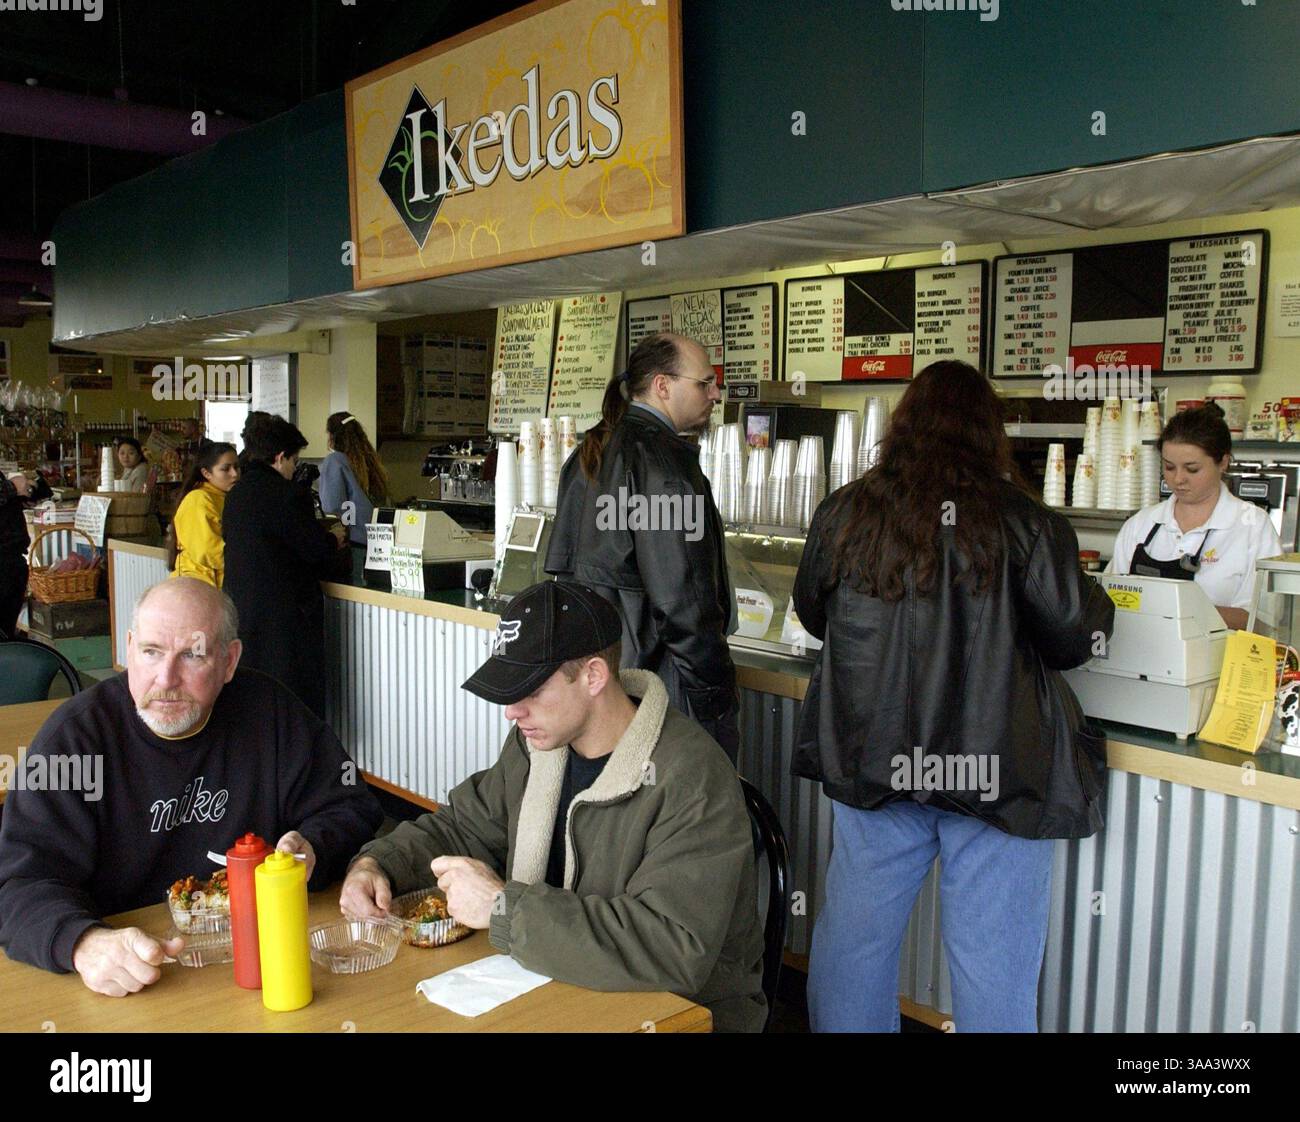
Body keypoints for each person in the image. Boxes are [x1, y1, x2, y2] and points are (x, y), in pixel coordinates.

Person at [791, 361, 1115, 1033]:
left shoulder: (845, 511)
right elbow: (1074, 637)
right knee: (993, 963)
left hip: (875, 764)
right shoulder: (1026, 522)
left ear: (903, 425)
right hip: (998, 776)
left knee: (854, 944)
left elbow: (815, 615)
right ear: (987, 431)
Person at [339, 579, 766, 1032]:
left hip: (679, 1013)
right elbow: (464, 827)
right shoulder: (538, 746)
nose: (511, 711)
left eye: (532, 690)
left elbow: (671, 946)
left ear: (594, 676)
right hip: (561, 988)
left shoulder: (691, 777)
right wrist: (376, 865)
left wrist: (507, 909)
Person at [0, 577, 382, 994]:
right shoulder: (74, 741)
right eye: (151, 652)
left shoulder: (270, 713)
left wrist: (313, 845)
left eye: (192, 656)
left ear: (229, 661)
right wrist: (83, 942)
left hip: (261, 960)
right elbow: (20, 885)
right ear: (129, 649)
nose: (166, 678)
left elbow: (351, 804)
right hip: (133, 979)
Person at [544, 332, 740, 762]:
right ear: (662, 386)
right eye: (704, 383)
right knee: (684, 811)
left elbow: (562, 570)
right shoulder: (664, 463)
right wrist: (713, 691)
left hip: (600, 680)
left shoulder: (590, 453)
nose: (715, 393)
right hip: (660, 684)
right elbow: (681, 598)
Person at [1107, 403, 1283, 630]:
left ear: (1223, 462)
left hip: (1219, 663)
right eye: (1169, 467)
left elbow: (1262, 621)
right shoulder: (1140, 525)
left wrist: (1177, 609)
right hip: (1140, 661)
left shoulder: (1253, 527)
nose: (1178, 479)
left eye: (1192, 469)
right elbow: (1110, 598)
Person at [223, 412, 348, 717]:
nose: (294, 469)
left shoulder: (235, 495)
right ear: (279, 458)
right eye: (293, 461)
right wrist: (334, 539)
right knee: (294, 702)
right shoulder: (289, 495)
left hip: (244, 613)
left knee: (254, 697)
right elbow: (315, 552)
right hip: (286, 621)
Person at [319, 411, 389, 580]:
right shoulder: (370, 461)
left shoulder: (335, 461)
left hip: (353, 543)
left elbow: (331, 505)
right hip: (377, 543)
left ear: (332, 436)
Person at [168, 440, 238, 588]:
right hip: (198, 584)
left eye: (237, 467)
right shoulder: (199, 499)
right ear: (206, 473)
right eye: (226, 469)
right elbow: (208, 551)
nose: (235, 474)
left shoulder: (226, 497)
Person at [0, 469, 50, 640]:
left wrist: (32, 489)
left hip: (12, 558)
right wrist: (13, 486)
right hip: (5, 558)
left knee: (7, 626)